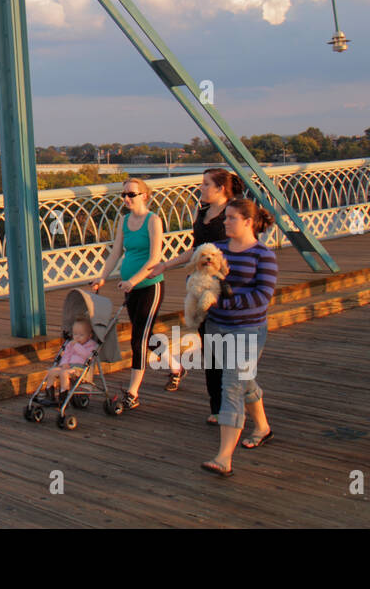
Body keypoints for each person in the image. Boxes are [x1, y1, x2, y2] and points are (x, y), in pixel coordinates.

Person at [153, 168, 245, 425]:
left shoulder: (233, 214)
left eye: (206, 184)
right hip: (198, 284)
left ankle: (237, 403)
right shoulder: (202, 212)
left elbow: (240, 249)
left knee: (228, 349)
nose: (201, 188)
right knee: (210, 347)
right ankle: (217, 406)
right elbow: (195, 250)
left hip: (223, 288)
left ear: (221, 189)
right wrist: (165, 265)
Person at [201, 197, 278, 477]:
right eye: (226, 217)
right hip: (216, 327)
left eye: (231, 217)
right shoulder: (216, 250)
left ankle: (223, 458)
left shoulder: (263, 255)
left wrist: (219, 304)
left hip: (247, 330)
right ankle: (262, 428)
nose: (225, 221)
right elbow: (196, 276)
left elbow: (262, 297)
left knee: (230, 386)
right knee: (241, 380)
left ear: (248, 222)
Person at [91, 178, 179, 408]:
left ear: (144, 196)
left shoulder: (153, 221)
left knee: (138, 337)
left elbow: (154, 257)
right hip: (130, 288)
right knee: (145, 335)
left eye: (131, 194)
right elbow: (116, 252)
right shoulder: (124, 220)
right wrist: (102, 275)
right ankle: (175, 367)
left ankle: (132, 392)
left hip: (150, 286)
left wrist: (133, 280)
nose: (126, 199)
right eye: (124, 195)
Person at [43, 316, 99, 402]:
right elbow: (66, 355)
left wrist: (76, 346)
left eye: (81, 335)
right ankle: (50, 396)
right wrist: (64, 363)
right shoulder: (71, 343)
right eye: (75, 334)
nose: (77, 337)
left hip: (79, 369)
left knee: (64, 373)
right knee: (51, 371)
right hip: (68, 367)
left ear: (89, 335)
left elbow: (86, 355)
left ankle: (63, 396)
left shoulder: (91, 345)